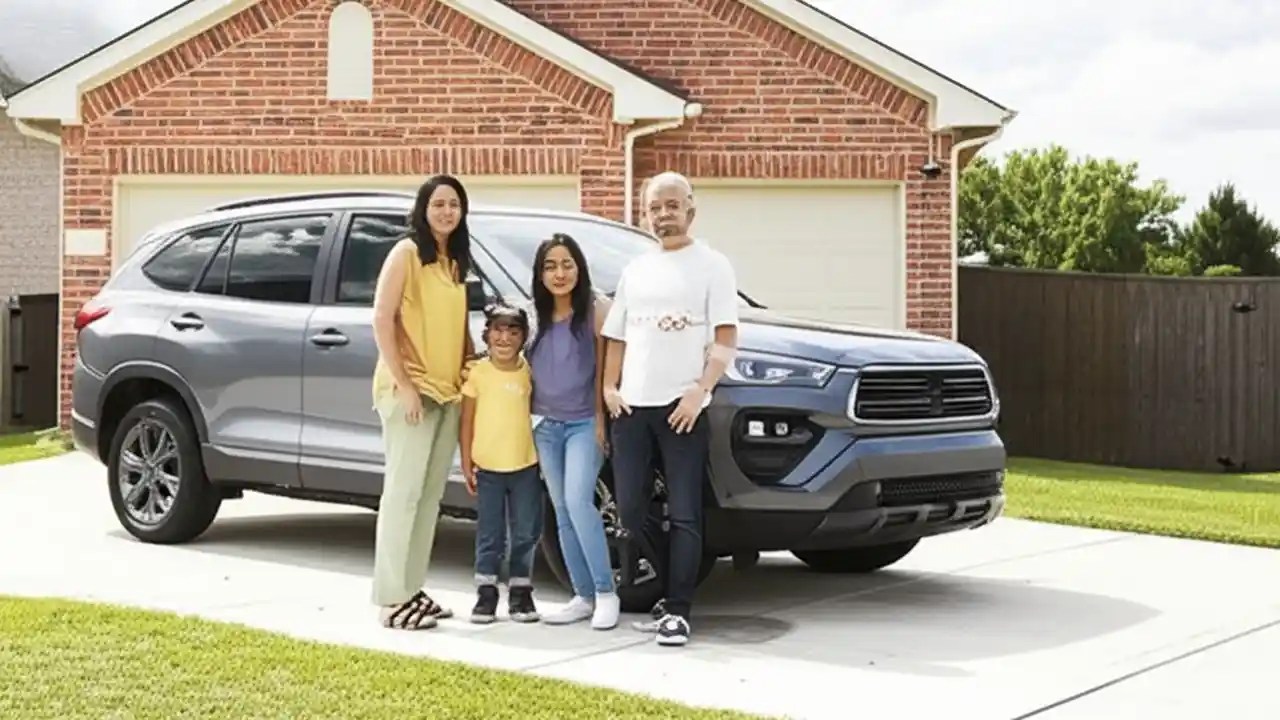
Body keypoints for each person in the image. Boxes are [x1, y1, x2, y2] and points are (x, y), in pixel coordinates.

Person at [601, 171, 739, 647]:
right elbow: (617, 333)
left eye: (673, 205)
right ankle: (669, 585)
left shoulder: (713, 265)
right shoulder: (635, 269)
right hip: (631, 408)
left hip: (683, 407)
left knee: (684, 514)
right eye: (655, 207)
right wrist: (609, 386)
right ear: (645, 213)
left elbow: (725, 336)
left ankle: (678, 609)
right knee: (632, 510)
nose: (664, 214)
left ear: (690, 210)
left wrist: (700, 390)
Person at [369, 174, 476, 630]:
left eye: (454, 204)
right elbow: (381, 317)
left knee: (429, 498)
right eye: (439, 204)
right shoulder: (407, 252)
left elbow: (457, 326)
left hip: (448, 392)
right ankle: (391, 600)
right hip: (409, 391)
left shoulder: (453, 262)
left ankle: (412, 588)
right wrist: (405, 384)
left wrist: (471, 365)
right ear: (423, 209)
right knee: (402, 495)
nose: (447, 211)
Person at [524, 233, 620, 630]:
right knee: (561, 509)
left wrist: (600, 419)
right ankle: (581, 595)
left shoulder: (596, 311)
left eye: (566, 264)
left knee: (580, 503)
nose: (559, 273)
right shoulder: (533, 317)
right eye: (550, 266)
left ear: (579, 269)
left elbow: (607, 367)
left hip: (584, 422)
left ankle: (606, 592)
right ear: (540, 274)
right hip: (545, 425)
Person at [460, 303, 544, 624]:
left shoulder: (527, 372)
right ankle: (486, 592)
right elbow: (466, 421)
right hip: (489, 469)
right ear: (486, 335)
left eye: (513, 331)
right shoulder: (478, 373)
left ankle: (521, 591)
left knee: (525, 531)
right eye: (498, 329)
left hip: (524, 466)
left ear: (524, 337)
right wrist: (467, 462)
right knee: (490, 533)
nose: (504, 338)